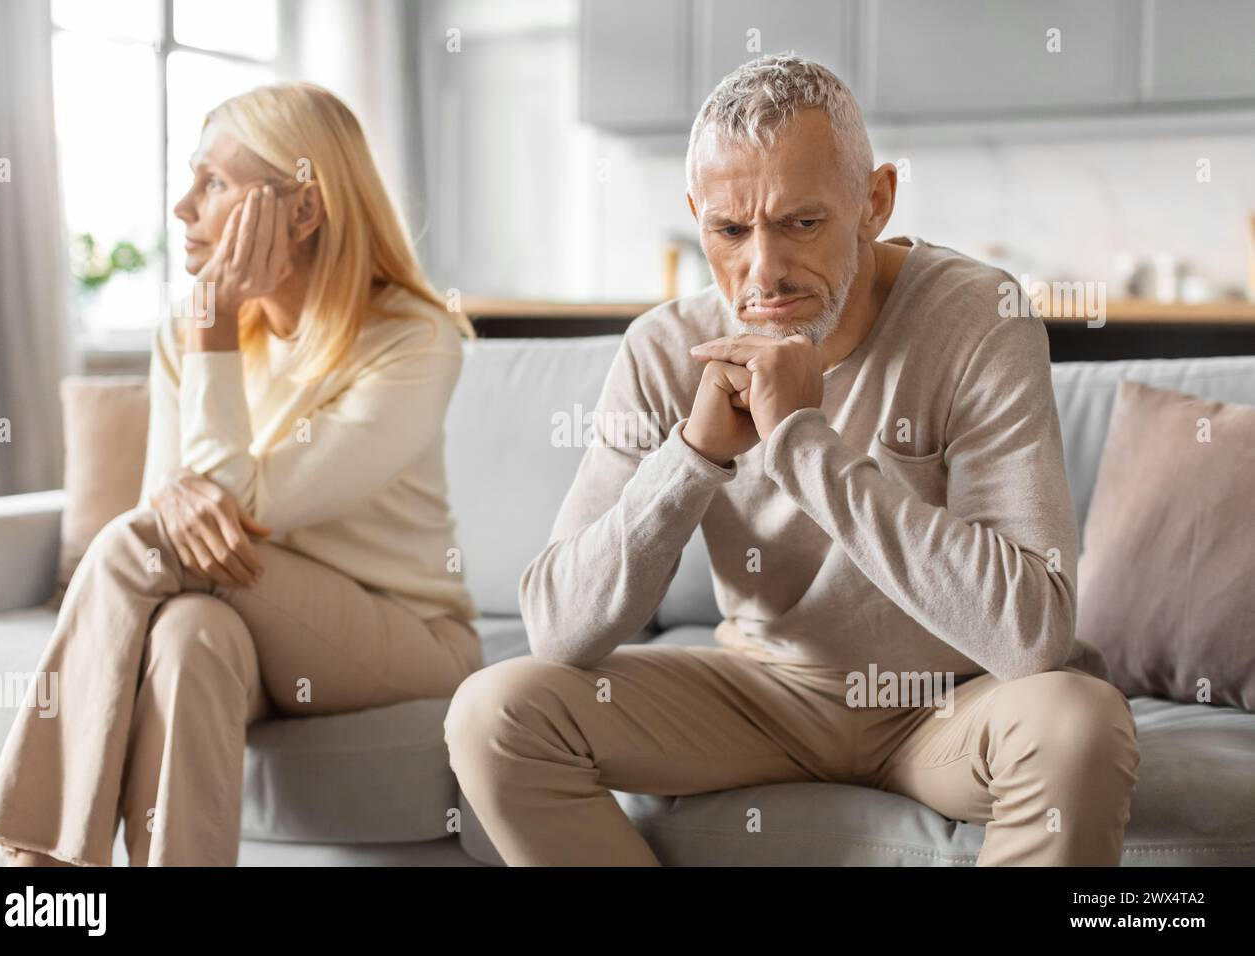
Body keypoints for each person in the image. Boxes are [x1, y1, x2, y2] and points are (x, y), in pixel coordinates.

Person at [444, 54, 1139, 866]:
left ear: (874, 202)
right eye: (730, 230)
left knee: (1077, 725)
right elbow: (557, 628)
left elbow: (1030, 635)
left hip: (949, 706)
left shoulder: (981, 317)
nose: (763, 271)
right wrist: (694, 456)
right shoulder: (664, 349)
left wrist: (801, 445)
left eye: (802, 223)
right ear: (696, 215)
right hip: (765, 698)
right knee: (493, 711)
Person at [0, 82, 481, 866]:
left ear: (304, 210)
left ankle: (42, 869)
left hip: (397, 638)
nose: (182, 207)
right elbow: (175, 515)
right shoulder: (189, 331)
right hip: (238, 613)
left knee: (131, 547)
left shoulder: (414, 342)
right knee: (187, 638)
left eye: (213, 183)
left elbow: (240, 512)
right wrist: (176, 477)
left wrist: (211, 323)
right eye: (191, 178)